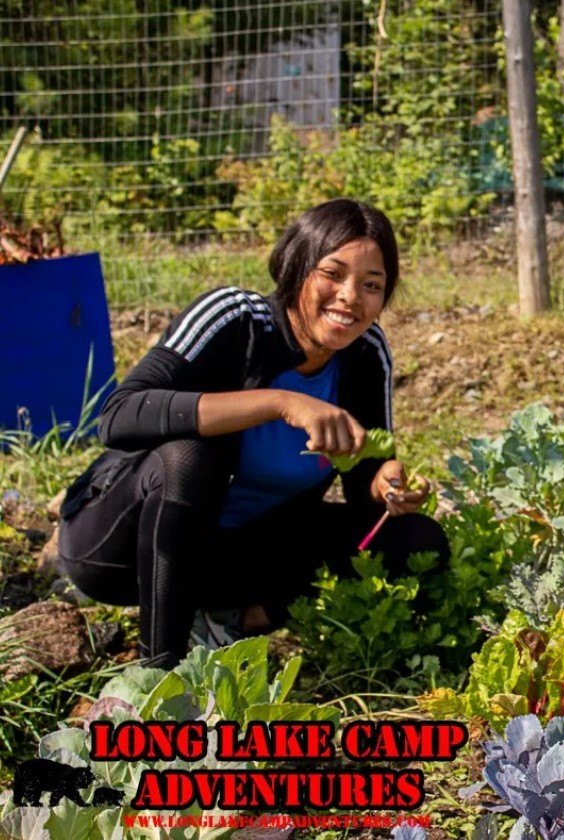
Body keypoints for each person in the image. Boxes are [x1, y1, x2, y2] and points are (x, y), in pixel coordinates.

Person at [57, 198, 450, 669]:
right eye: (333, 273)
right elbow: (118, 416)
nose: (350, 296)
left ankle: (237, 620)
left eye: (371, 285)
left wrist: (386, 483)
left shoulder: (365, 354)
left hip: (234, 555)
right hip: (118, 549)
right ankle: (159, 677)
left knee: (416, 538)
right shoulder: (235, 319)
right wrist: (281, 404)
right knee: (188, 456)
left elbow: (364, 481)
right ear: (294, 266)